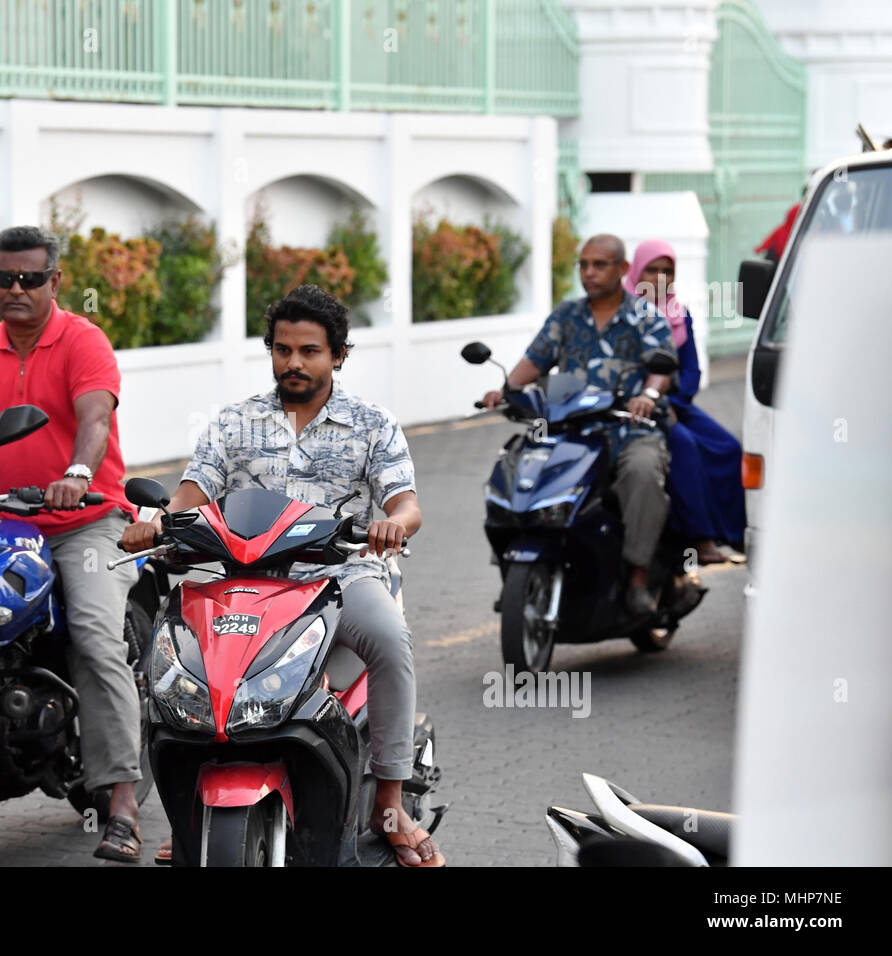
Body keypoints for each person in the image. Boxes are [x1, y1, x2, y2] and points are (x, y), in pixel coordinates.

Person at [123, 284, 444, 868]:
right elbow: (191, 495)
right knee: (175, 658)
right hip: (241, 577)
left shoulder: (372, 423)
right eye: (283, 349)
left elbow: (406, 503)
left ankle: (391, 806)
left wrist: (394, 524)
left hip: (343, 576)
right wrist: (156, 524)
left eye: (310, 351)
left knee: (392, 643)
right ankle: (192, 812)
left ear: (338, 355)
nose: (294, 362)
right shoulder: (234, 422)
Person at [0, 226, 145, 862]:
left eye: (30, 279)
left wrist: (75, 474)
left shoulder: (83, 340)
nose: (15, 289)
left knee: (96, 635)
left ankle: (121, 799)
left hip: (86, 519)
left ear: (55, 283)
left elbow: (95, 417)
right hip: (4, 517)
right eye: (4, 278)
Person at [482, 234, 677, 615]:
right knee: (516, 466)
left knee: (642, 471)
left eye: (599, 264)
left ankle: (638, 575)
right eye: (583, 264)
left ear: (622, 269)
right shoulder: (566, 315)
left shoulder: (646, 317)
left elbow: (663, 367)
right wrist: (504, 391)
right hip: (569, 432)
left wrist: (648, 396)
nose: (589, 272)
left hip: (629, 430)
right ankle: (518, 569)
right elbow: (533, 362)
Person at [624, 241, 746, 564]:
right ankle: (701, 539)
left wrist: (677, 399)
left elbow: (690, 368)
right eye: (653, 269)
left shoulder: (678, 314)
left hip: (675, 403)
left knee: (729, 448)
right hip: (634, 406)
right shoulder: (622, 311)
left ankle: (735, 533)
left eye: (668, 271)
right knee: (685, 447)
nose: (660, 277)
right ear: (636, 270)